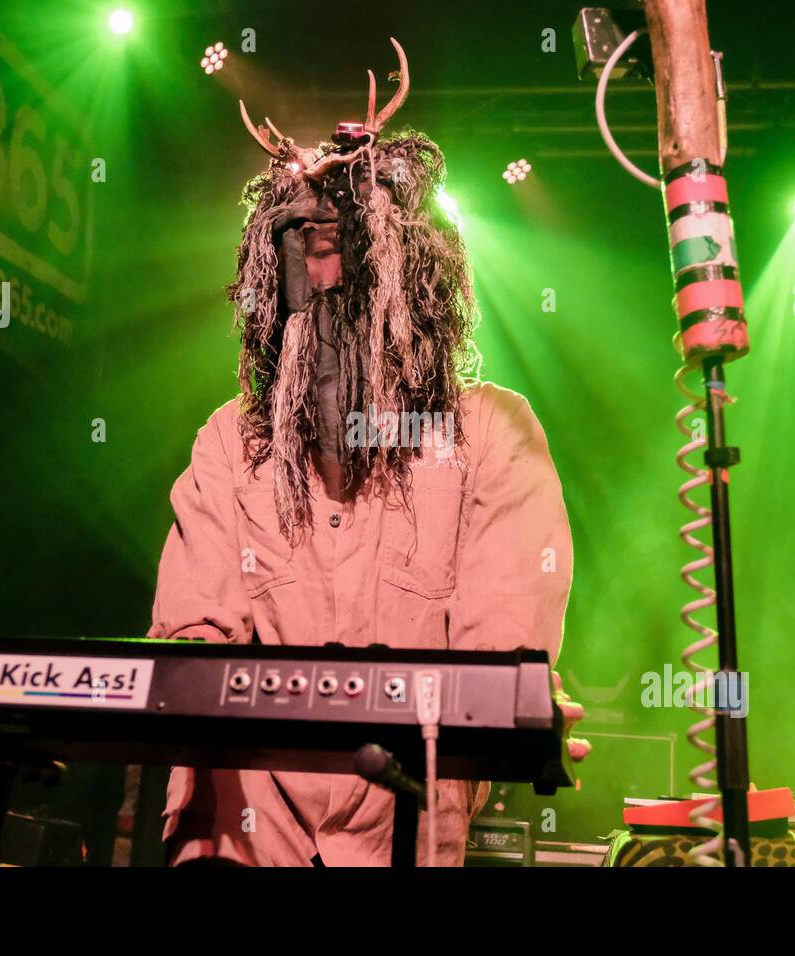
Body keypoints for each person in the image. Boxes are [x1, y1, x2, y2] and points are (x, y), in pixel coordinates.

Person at [149, 39, 588, 865]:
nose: (317, 278)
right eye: (296, 250)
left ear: (406, 275)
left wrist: (521, 701)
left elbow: (498, 663)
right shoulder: (228, 442)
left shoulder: (492, 434)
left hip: (402, 838)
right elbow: (188, 653)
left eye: (341, 253)